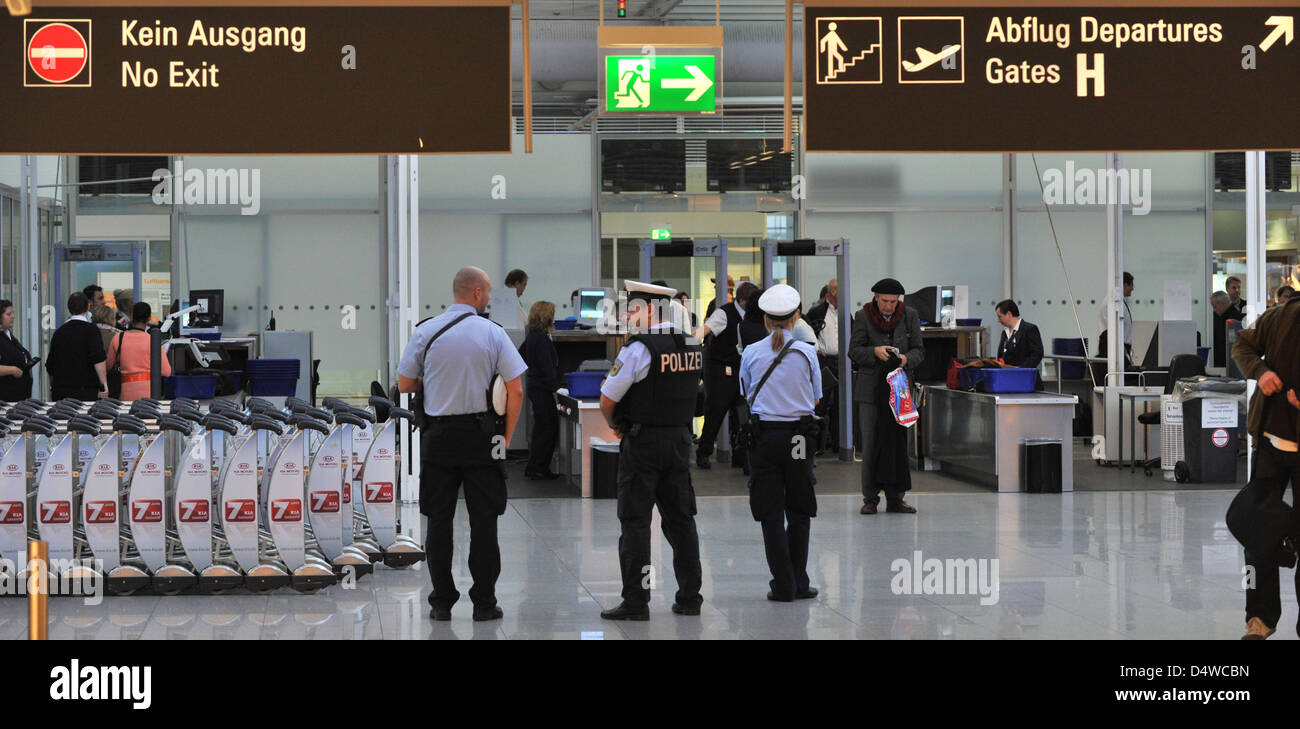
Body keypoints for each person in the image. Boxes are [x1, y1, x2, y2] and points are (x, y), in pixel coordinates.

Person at [397, 266, 526, 623]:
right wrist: (506, 438)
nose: (487, 298)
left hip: (437, 439)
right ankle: (484, 603)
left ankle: (441, 603)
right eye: (486, 292)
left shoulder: (425, 331)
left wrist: (435, 376)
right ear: (476, 294)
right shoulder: (493, 334)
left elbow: (405, 384)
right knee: (485, 522)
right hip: (483, 439)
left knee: (439, 522)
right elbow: (516, 389)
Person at [598, 280, 703, 621]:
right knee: (681, 520)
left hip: (643, 444)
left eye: (631, 308)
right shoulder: (691, 342)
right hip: (680, 441)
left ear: (650, 309)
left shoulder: (638, 348)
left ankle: (636, 602)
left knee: (636, 521)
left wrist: (615, 424)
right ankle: (689, 597)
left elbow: (608, 398)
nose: (627, 315)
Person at [739, 284, 821, 602]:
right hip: (799, 437)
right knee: (799, 509)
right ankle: (799, 580)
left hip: (764, 438)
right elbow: (815, 397)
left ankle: (783, 583)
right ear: (796, 316)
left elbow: (746, 394)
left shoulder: (751, 352)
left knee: (770, 512)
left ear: (765, 319)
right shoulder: (807, 352)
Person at [1231, 291, 1300, 639]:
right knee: (1256, 533)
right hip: (1272, 438)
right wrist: (1260, 372)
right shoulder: (1280, 317)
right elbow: (1242, 345)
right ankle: (1258, 619)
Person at [849, 278, 924, 515]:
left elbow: (919, 351)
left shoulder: (909, 315)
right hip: (871, 390)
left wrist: (904, 360)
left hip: (899, 389)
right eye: (884, 301)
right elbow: (854, 351)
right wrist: (874, 352)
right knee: (870, 445)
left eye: (893, 302)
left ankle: (896, 498)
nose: (889, 306)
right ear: (875, 297)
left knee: (899, 444)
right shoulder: (862, 317)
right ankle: (870, 498)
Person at [694, 281, 758, 469]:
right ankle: (704, 453)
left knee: (741, 415)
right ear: (743, 301)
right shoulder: (724, 313)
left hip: (739, 370)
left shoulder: (750, 316)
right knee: (715, 412)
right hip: (720, 370)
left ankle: (740, 455)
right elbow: (702, 332)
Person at [522, 300, 561, 480]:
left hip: (534, 386)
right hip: (543, 389)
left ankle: (535, 465)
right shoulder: (542, 338)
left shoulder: (531, 336)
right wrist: (557, 389)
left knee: (541, 428)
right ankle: (539, 467)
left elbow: (520, 355)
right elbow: (547, 367)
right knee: (548, 428)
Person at [46, 292, 108, 402]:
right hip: (86, 391)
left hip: (62, 392)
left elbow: (51, 364)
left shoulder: (59, 332)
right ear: (88, 307)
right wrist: (104, 384)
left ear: (69, 309)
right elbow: (98, 359)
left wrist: (54, 386)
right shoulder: (91, 330)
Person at [105, 302, 172, 402]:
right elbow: (166, 372)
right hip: (150, 392)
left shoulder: (119, 338)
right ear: (149, 318)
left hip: (125, 391)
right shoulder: (153, 340)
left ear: (131, 316)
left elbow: (109, 366)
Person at [806, 279, 841, 451]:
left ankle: (839, 444)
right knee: (820, 402)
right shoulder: (817, 312)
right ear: (832, 293)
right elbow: (807, 333)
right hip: (823, 363)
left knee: (840, 406)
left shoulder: (845, 313)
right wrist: (817, 349)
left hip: (842, 362)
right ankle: (816, 445)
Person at [1097, 271, 1134, 366]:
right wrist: (1122, 347)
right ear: (1125, 285)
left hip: (1121, 345)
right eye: (1131, 285)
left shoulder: (1119, 301)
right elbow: (1113, 327)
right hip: (1114, 345)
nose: (1132, 289)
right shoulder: (1112, 302)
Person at [0, 300, 34, 402]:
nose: (13, 316)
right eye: (8, 314)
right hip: (6, 399)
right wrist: (13, 370)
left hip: (20, 397)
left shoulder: (9, 335)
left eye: (13, 313)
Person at [994, 300, 1044, 369]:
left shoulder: (1030, 329)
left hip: (1024, 377)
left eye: (1000, 317)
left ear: (1009, 314)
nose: (998, 320)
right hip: (1006, 376)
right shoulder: (1004, 333)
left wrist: (1020, 369)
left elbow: (1037, 354)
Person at [1210, 290, 1235, 368]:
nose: (1214, 309)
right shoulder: (1216, 316)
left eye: (1215, 306)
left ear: (1223, 303)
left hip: (1228, 362)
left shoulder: (1234, 318)